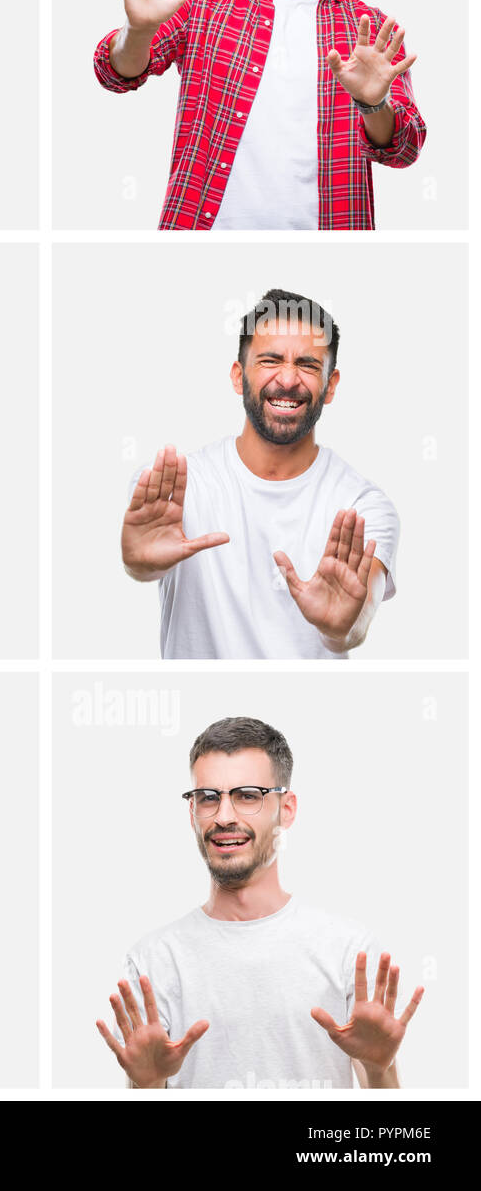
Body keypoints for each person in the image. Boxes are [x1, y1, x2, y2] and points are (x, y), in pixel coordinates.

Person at [95, 0, 425, 229]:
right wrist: (137, 30)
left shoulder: (366, 28)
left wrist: (372, 103)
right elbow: (115, 74)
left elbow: (404, 149)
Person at [97, 717, 424, 1089]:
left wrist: (381, 1069)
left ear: (286, 809)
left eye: (247, 795)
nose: (223, 817)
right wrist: (147, 1086)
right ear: (192, 812)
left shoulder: (350, 951)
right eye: (208, 798)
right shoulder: (153, 960)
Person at [121, 288, 397, 658]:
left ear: (330, 387)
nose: (287, 379)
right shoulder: (178, 488)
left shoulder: (364, 507)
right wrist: (137, 565)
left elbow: (356, 622)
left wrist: (340, 628)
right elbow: (143, 563)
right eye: (270, 360)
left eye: (308, 364)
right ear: (238, 377)